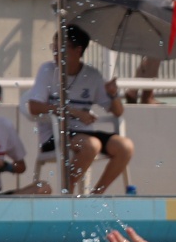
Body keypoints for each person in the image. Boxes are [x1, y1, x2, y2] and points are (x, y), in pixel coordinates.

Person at [27, 24, 134, 194]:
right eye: (53, 48)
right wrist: (72, 111)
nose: (55, 53)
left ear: (78, 50)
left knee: (125, 146)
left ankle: (96, 195)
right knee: (91, 145)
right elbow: (34, 107)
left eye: (60, 49)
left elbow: (118, 112)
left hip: (84, 135)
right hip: (56, 134)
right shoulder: (47, 70)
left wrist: (114, 94)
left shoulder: (92, 75)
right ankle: (67, 194)